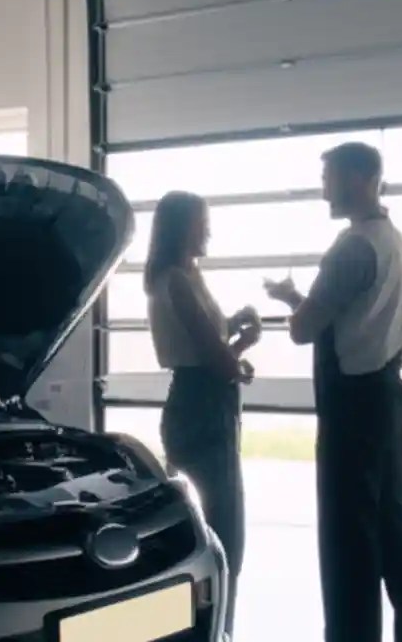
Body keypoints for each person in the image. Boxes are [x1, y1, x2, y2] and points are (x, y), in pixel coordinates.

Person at [265, 143, 402, 642]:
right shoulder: (396, 244)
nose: (324, 189)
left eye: (330, 177)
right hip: (386, 397)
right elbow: (350, 318)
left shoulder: (352, 248)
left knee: (349, 542)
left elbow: (305, 329)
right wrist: (295, 297)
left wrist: (293, 308)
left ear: (362, 178)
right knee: (400, 531)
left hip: (352, 408)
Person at [144, 190, 260, 639]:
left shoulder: (179, 276)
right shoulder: (178, 280)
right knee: (226, 532)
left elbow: (204, 340)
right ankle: (218, 631)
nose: (208, 229)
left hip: (192, 401)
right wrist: (243, 347)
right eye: (201, 222)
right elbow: (217, 360)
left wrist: (232, 328)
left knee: (207, 526)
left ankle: (204, 627)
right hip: (205, 406)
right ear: (181, 227)